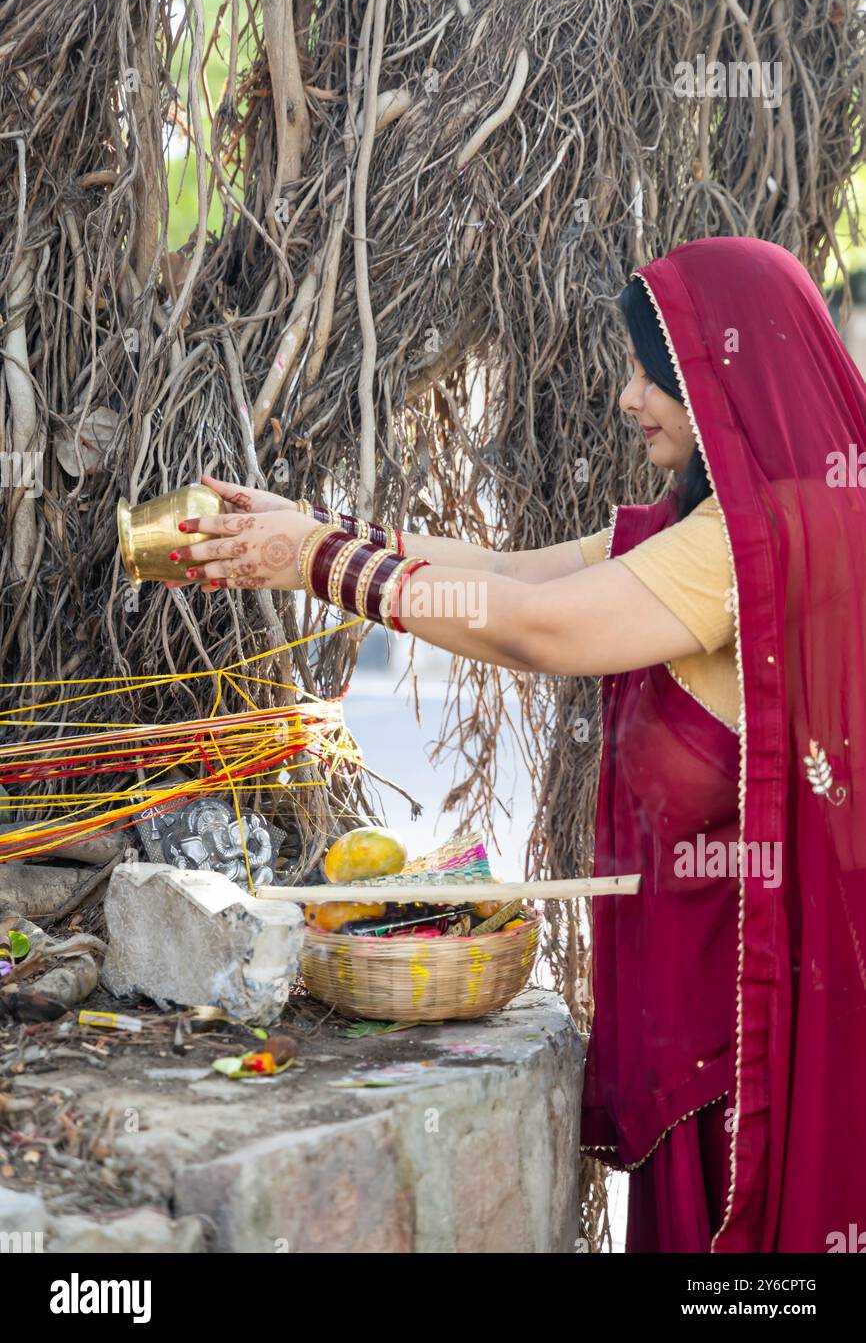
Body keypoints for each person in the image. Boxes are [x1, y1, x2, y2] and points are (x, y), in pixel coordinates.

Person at [169, 236, 866, 1253]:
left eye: (648, 373)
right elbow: (511, 573)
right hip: (706, 1030)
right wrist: (308, 527)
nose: (627, 400)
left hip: (749, 1044)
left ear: (718, 375)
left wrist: (320, 565)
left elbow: (537, 630)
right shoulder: (716, 525)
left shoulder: (748, 544)